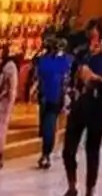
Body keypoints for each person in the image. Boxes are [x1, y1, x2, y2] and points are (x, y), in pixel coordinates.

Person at [63, 20, 102, 196]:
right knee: (68, 149)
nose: (92, 37)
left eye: (94, 33)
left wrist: (95, 78)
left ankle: (90, 189)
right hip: (80, 104)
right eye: (90, 33)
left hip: (97, 105)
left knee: (92, 149)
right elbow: (73, 74)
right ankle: (72, 186)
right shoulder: (82, 52)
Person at [35, 38, 72, 170]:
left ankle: (46, 154)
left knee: (48, 125)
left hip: (52, 98)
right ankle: (46, 153)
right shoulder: (62, 61)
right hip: (48, 97)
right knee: (47, 126)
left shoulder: (46, 61)